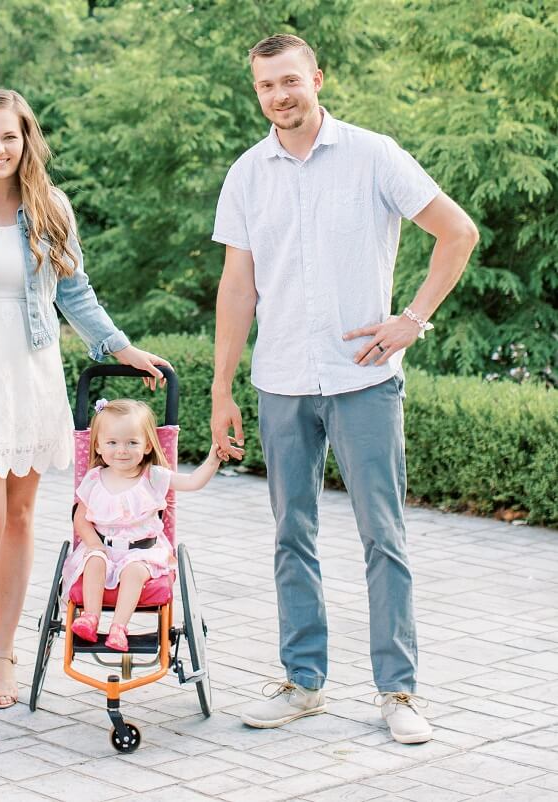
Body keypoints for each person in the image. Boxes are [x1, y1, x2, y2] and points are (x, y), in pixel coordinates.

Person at [210, 34, 479, 744]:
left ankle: (398, 692)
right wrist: (221, 389)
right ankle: (303, 682)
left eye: (290, 81)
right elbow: (238, 287)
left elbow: (458, 231)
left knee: (381, 537)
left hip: (364, 381)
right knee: (290, 536)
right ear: (257, 91)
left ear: (318, 79)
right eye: (266, 86)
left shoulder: (373, 155)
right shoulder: (247, 175)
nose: (279, 96)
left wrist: (412, 320)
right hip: (282, 382)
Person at [0, 89, 171, 712]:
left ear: (25, 139)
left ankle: (4, 652)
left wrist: (119, 348)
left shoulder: (52, 207)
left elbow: (76, 293)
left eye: (8, 137)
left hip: (30, 370)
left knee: (19, 520)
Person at [63, 399, 230, 649]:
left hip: (142, 552)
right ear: (97, 446)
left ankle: (119, 628)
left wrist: (212, 460)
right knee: (94, 561)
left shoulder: (153, 476)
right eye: (112, 443)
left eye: (132, 442)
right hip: (103, 548)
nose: (122, 450)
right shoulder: (94, 479)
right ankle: (90, 618)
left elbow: (193, 482)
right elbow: (80, 517)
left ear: (148, 445)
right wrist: (93, 544)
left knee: (134, 570)